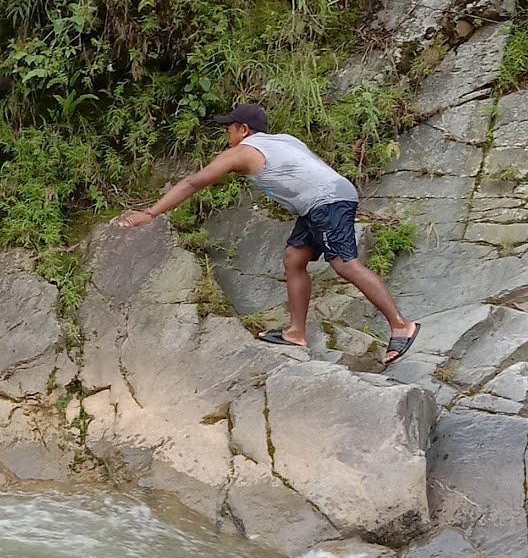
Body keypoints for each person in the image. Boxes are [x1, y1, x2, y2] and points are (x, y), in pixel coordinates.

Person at [116, 104, 420, 365]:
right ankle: (296, 333)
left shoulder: (242, 152)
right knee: (294, 257)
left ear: (243, 130)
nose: (228, 135)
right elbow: (318, 166)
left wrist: (150, 213)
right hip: (323, 198)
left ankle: (401, 326)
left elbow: (193, 182)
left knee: (344, 265)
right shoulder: (285, 140)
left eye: (230, 129)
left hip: (324, 201)